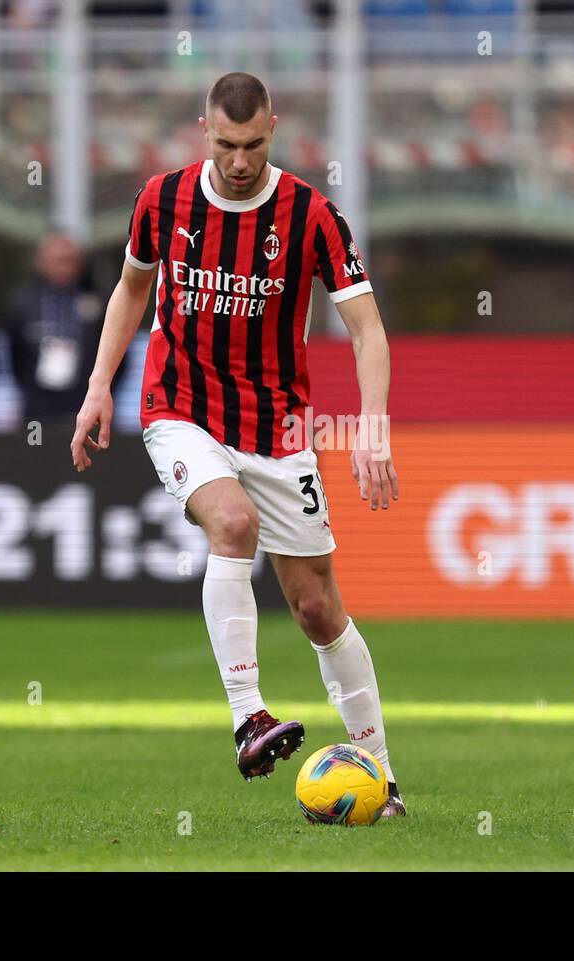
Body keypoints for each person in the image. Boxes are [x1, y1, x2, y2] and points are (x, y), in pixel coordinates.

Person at [70, 72, 405, 818]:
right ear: (204, 129)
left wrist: (373, 421)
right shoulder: (163, 200)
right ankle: (249, 716)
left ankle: (380, 775)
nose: (241, 160)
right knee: (232, 523)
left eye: (254, 144)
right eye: (226, 143)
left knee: (318, 606)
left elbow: (367, 328)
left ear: (274, 129)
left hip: (281, 429)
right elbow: (131, 289)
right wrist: (99, 385)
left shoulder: (312, 215)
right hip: (180, 407)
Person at [6, 233, 112, 425]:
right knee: (35, 451)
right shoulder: (23, 303)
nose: (64, 268)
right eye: (59, 261)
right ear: (41, 263)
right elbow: (15, 358)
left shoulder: (98, 302)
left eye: (70, 261)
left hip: (86, 404)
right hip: (37, 409)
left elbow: (116, 355)